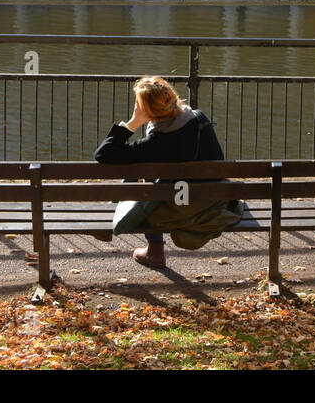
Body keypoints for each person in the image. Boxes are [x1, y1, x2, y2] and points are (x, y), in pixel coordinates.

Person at [94, 76, 241, 269]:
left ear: (147, 110)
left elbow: (103, 154)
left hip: (184, 204)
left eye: (138, 105)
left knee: (141, 171)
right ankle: (135, 236)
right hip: (213, 197)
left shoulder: (157, 143)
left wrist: (133, 122)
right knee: (142, 165)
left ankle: (154, 250)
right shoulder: (199, 119)